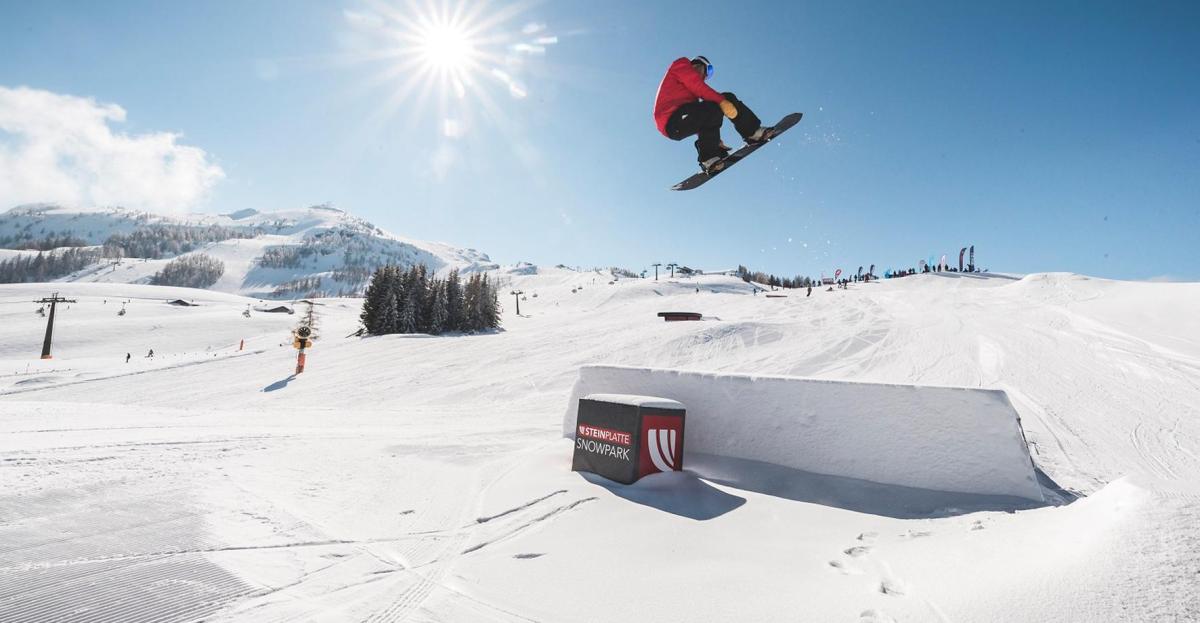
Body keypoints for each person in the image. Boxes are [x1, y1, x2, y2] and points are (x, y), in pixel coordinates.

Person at [653, 55, 776, 173]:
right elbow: (697, 85)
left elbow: (700, 119)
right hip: (671, 119)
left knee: (716, 107)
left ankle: (750, 134)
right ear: (697, 64)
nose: (706, 76)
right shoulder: (681, 64)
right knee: (719, 101)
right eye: (707, 71)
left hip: (681, 120)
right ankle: (708, 157)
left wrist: (714, 141)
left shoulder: (692, 97)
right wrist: (721, 101)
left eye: (708, 74)